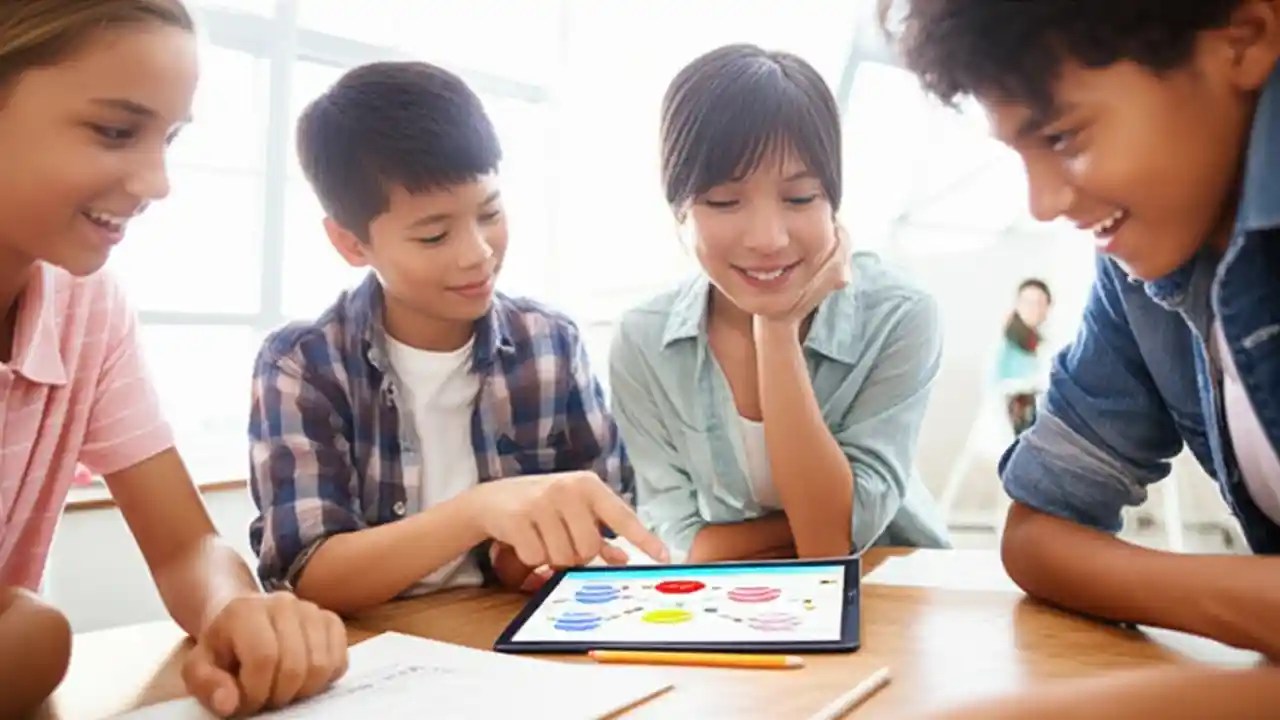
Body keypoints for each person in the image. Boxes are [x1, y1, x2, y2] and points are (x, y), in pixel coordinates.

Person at [885, 0, 1280, 713]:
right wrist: (1257, 604)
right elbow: (1039, 533)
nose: (1041, 203)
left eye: (1063, 137)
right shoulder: (1141, 274)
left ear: (1244, 38)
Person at [0, 2, 347, 717]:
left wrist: (233, 610)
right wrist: (35, 640)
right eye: (115, 131)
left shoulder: (87, 309)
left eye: (170, 137)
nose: (157, 183)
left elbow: (185, 547)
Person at [248, 61, 668, 616]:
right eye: (434, 235)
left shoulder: (550, 344)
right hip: (372, 644)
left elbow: (605, 513)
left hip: (501, 630)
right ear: (351, 243)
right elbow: (310, 576)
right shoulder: (305, 364)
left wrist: (530, 555)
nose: (478, 252)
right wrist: (477, 512)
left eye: (490, 212)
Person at [609, 44, 950, 564]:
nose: (768, 238)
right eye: (724, 201)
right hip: (735, 597)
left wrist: (775, 328)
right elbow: (679, 541)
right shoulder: (643, 340)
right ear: (680, 211)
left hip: (892, 586)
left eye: (800, 198)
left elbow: (829, 546)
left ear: (833, 203)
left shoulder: (898, 315)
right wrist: (825, 522)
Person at [994, 279, 1052, 435]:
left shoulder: (1042, 344)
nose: (1034, 309)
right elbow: (996, 385)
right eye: (1028, 303)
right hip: (1004, 425)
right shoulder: (1005, 343)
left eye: (1040, 303)